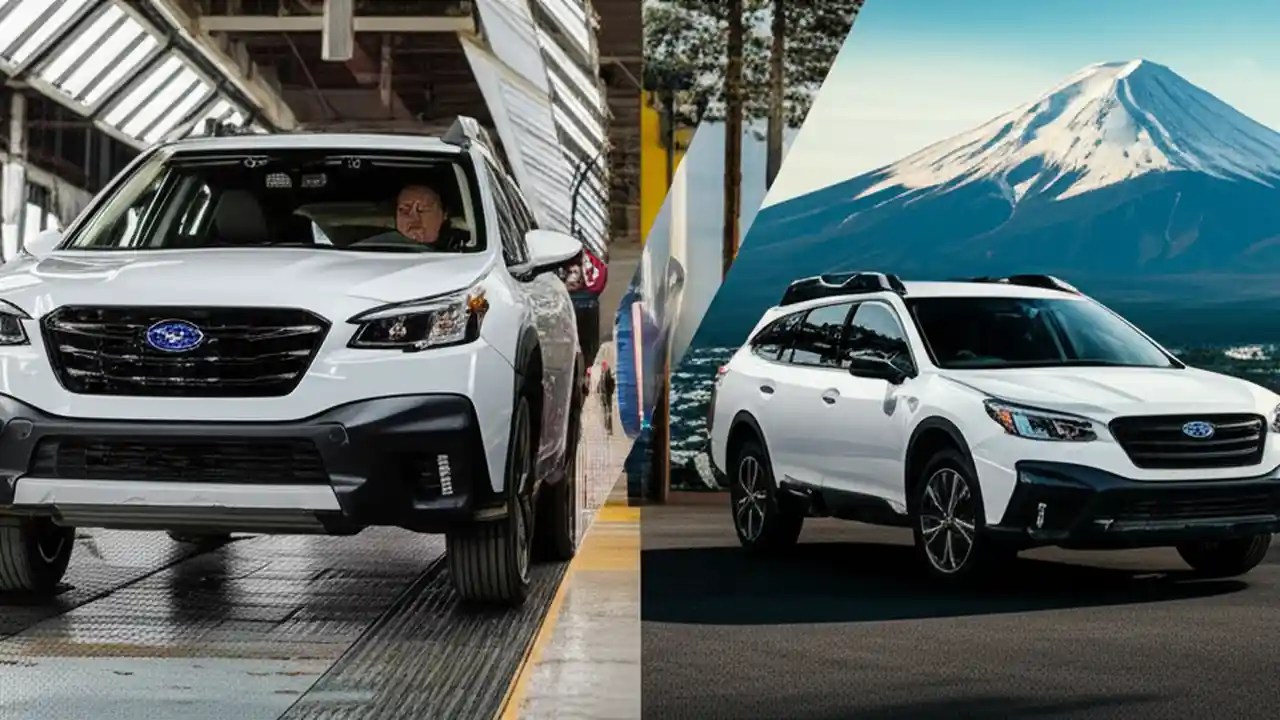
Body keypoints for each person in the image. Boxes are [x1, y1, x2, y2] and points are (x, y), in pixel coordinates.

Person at [353, 184, 467, 251]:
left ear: (444, 214)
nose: (414, 217)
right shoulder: (371, 249)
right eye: (404, 210)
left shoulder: (465, 250)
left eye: (422, 209)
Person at [598, 361, 616, 435]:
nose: (602, 368)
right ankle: (607, 428)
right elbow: (600, 386)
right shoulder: (603, 375)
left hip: (606, 396)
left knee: (607, 412)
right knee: (606, 412)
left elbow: (610, 386)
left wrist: (609, 392)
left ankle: (608, 429)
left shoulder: (605, 376)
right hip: (605, 396)